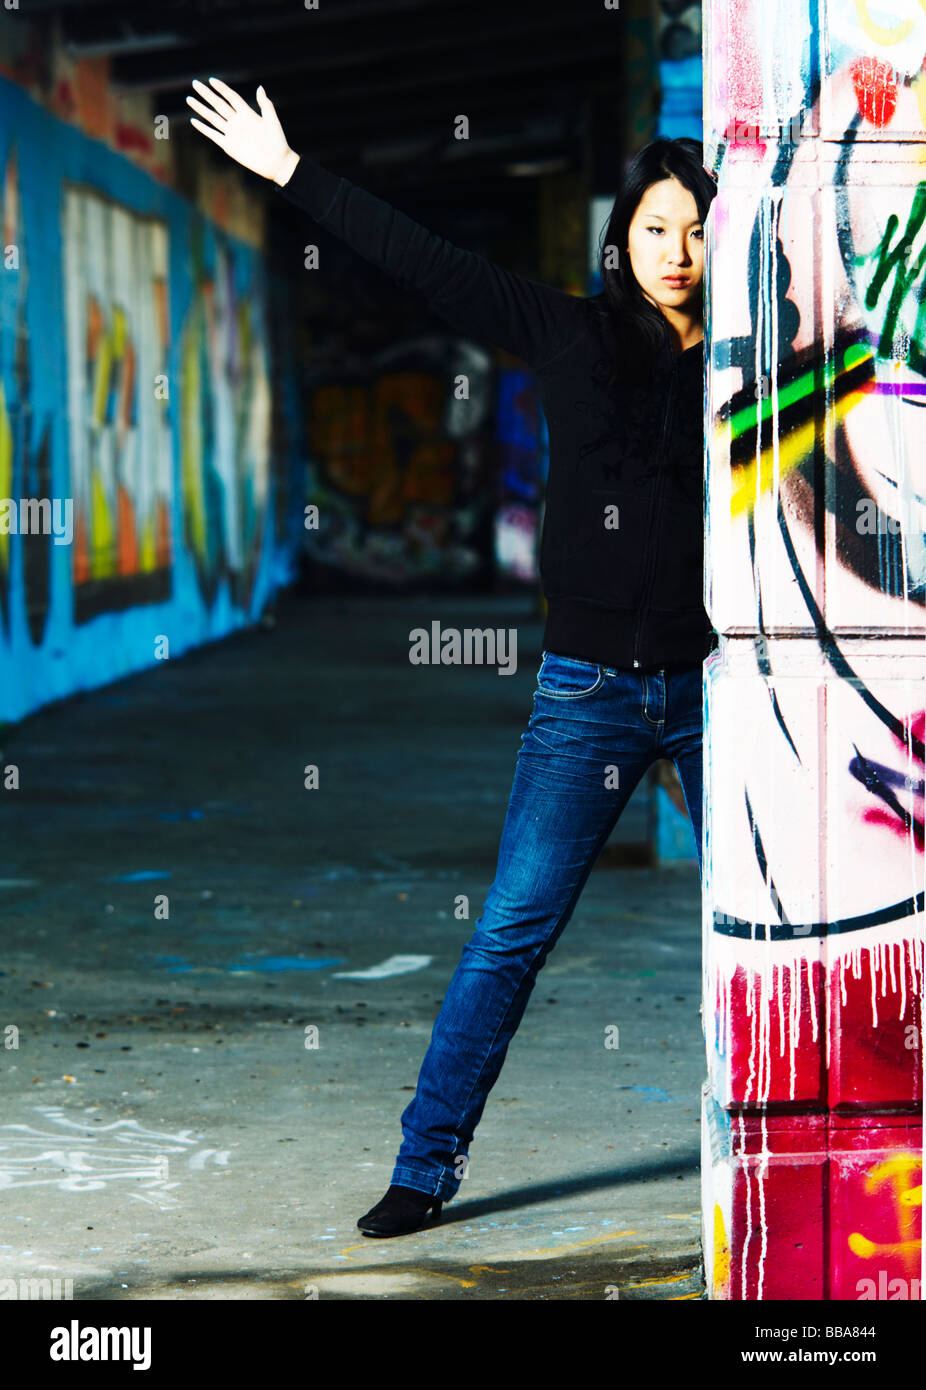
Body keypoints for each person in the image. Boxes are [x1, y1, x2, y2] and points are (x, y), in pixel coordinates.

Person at [187, 77, 718, 1237]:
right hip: (586, 693)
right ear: (619, 240)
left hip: (720, 687)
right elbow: (425, 259)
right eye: (654, 227)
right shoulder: (570, 333)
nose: (675, 249)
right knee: (510, 931)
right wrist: (292, 175)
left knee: (793, 916)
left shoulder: (744, 359)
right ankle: (424, 1167)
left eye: (694, 227)